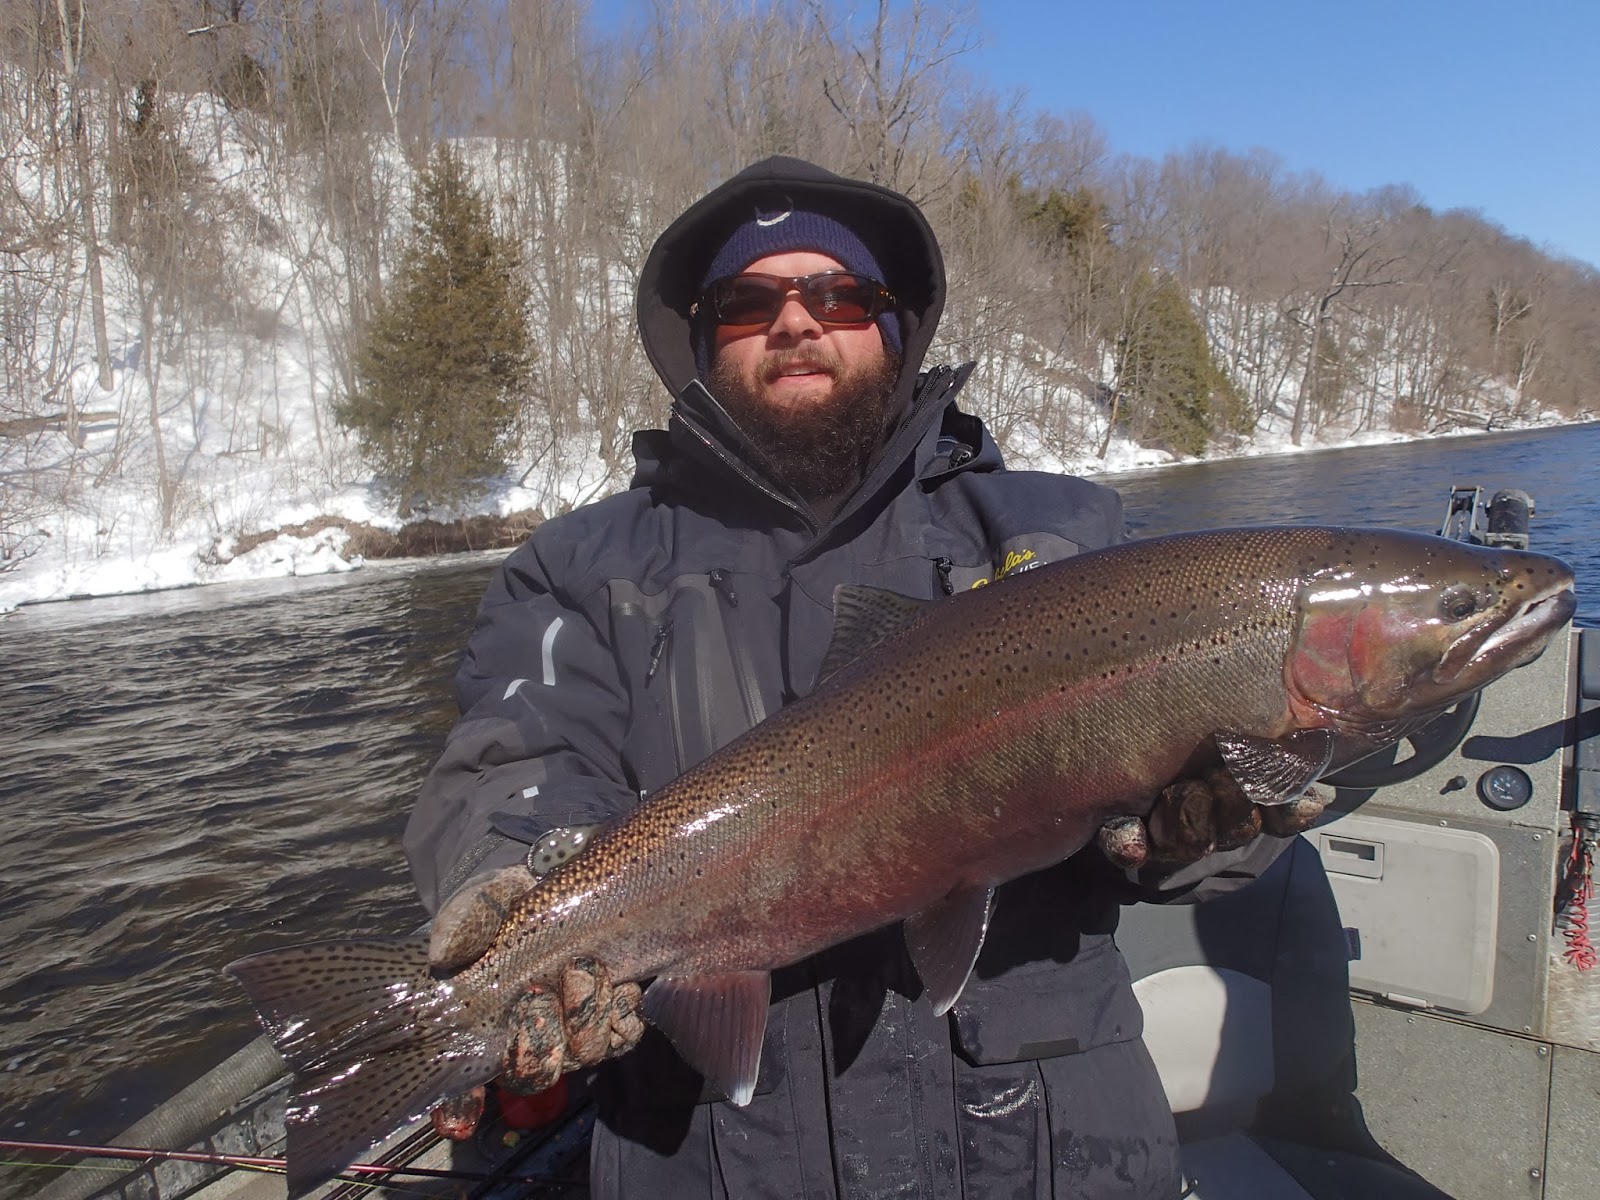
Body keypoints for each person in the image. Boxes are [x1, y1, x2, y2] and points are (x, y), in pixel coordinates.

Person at [404, 156, 1315, 1198]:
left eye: (836, 294)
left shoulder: (1050, 540)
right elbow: (518, 757)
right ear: (704, 341)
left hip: (1044, 1151)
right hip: (709, 1159)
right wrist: (510, 881)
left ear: (893, 326)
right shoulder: (582, 570)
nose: (796, 322)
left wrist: (1193, 831)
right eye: (750, 302)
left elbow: (1173, 845)